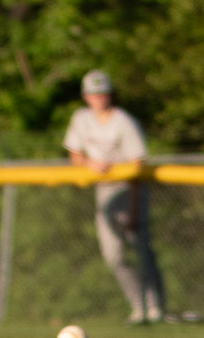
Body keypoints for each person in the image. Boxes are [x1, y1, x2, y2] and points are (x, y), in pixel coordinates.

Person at [64, 70, 162, 324]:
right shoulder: (81, 119)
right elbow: (74, 156)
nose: (99, 98)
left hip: (130, 188)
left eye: (103, 93)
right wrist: (89, 163)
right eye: (94, 94)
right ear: (86, 97)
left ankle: (155, 308)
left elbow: (137, 164)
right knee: (113, 255)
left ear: (110, 95)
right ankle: (138, 307)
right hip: (104, 191)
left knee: (141, 250)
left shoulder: (124, 122)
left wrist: (133, 205)